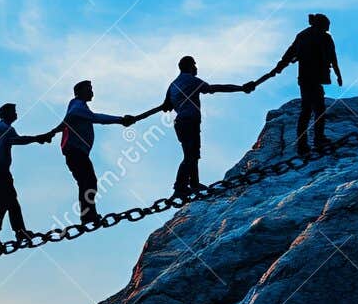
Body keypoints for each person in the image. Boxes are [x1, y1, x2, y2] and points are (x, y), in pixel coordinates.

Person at [132, 56, 253, 196]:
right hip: (190, 121)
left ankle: (194, 183)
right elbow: (215, 88)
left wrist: (139, 117)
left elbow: (165, 106)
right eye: (195, 65)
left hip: (180, 123)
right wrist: (241, 88)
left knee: (192, 154)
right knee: (191, 155)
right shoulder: (192, 81)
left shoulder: (173, 85)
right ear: (190, 66)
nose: (196, 68)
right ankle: (180, 186)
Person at [47, 81, 136, 224]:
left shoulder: (77, 107)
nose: (92, 92)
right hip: (76, 153)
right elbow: (96, 118)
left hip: (77, 153)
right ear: (80, 91)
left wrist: (52, 132)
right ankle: (88, 216)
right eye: (89, 89)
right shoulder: (78, 107)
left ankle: (88, 215)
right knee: (88, 182)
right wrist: (120, 120)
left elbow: (66, 123)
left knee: (87, 182)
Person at [261, 12, 342, 157]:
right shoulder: (307, 36)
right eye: (325, 27)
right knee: (310, 110)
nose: (326, 30)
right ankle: (306, 143)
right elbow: (289, 54)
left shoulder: (314, 37)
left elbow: (332, 57)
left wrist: (338, 74)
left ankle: (315, 140)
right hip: (308, 78)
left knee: (315, 109)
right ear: (320, 25)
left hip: (310, 79)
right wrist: (278, 68)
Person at [0, 104, 55, 250]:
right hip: (0, 172)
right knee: (4, 204)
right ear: (6, 113)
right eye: (14, 111)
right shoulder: (6, 129)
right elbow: (19, 140)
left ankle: (19, 232)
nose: (16, 113)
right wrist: (38, 138)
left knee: (12, 203)